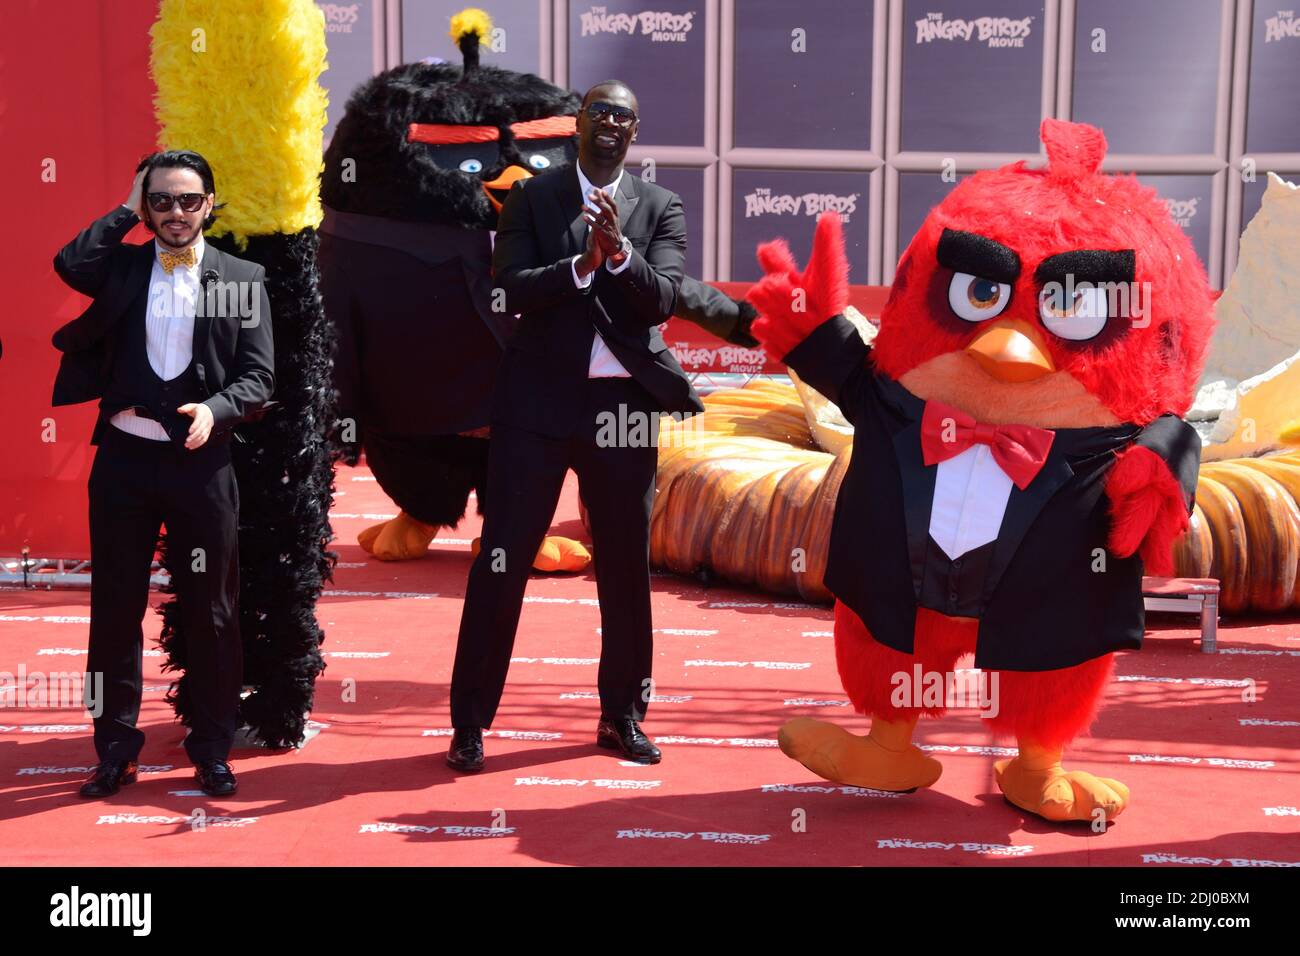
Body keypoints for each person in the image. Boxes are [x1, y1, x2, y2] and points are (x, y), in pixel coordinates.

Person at [445, 80, 703, 771]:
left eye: (624, 115)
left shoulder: (660, 206)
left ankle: (623, 716)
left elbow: (664, 300)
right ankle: (469, 724)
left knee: (624, 570)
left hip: (622, 410)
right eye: (599, 113)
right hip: (538, 406)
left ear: (635, 131)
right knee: (501, 563)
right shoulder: (534, 195)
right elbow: (510, 286)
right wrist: (582, 267)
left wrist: (620, 257)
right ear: (579, 125)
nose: (611, 124)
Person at [50, 150, 275, 797]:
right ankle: (114, 748)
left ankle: (211, 746)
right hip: (123, 459)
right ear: (146, 208)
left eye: (188, 200)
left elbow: (260, 377)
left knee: (212, 610)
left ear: (210, 203)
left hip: (200, 467)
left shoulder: (240, 277)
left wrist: (217, 408)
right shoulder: (121, 266)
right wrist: (124, 207)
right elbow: (70, 263)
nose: (176, 213)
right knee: (114, 610)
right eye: (162, 202)